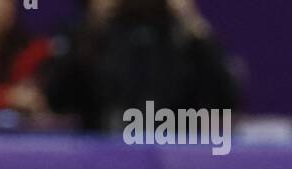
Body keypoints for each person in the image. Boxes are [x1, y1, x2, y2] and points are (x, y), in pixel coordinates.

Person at [45, 0, 240, 132]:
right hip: (103, 163)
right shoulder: (90, 34)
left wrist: (192, 23)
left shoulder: (182, 36)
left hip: (173, 162)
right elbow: (57, 100)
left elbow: (227, 100)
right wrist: (93, 25)